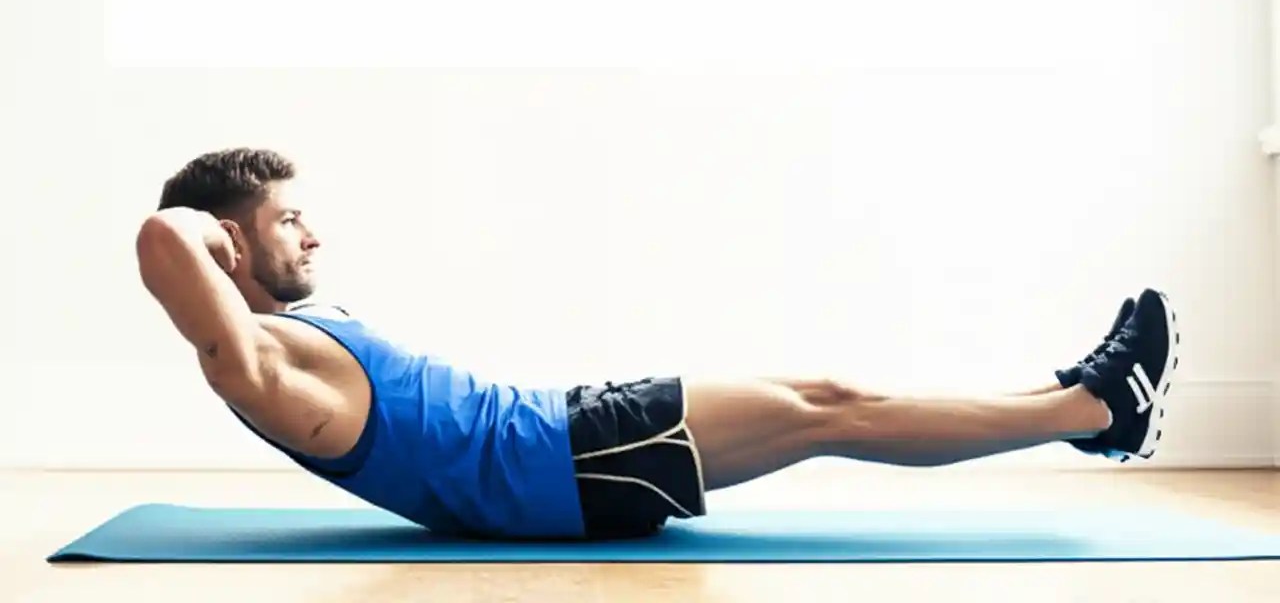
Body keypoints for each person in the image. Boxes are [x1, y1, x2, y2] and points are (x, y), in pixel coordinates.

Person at [137, 147, 1180, 541]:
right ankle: (1092, 408)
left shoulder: (289, 337)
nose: (310, 232)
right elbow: (158, 237)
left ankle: (1072, 406)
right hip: (566, 462)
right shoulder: (257, 361)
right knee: (831, 411)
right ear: (228, 243)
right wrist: (205, 231)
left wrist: (237, 239)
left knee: (823, 393)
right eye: (283, 221)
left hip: (568, 433)